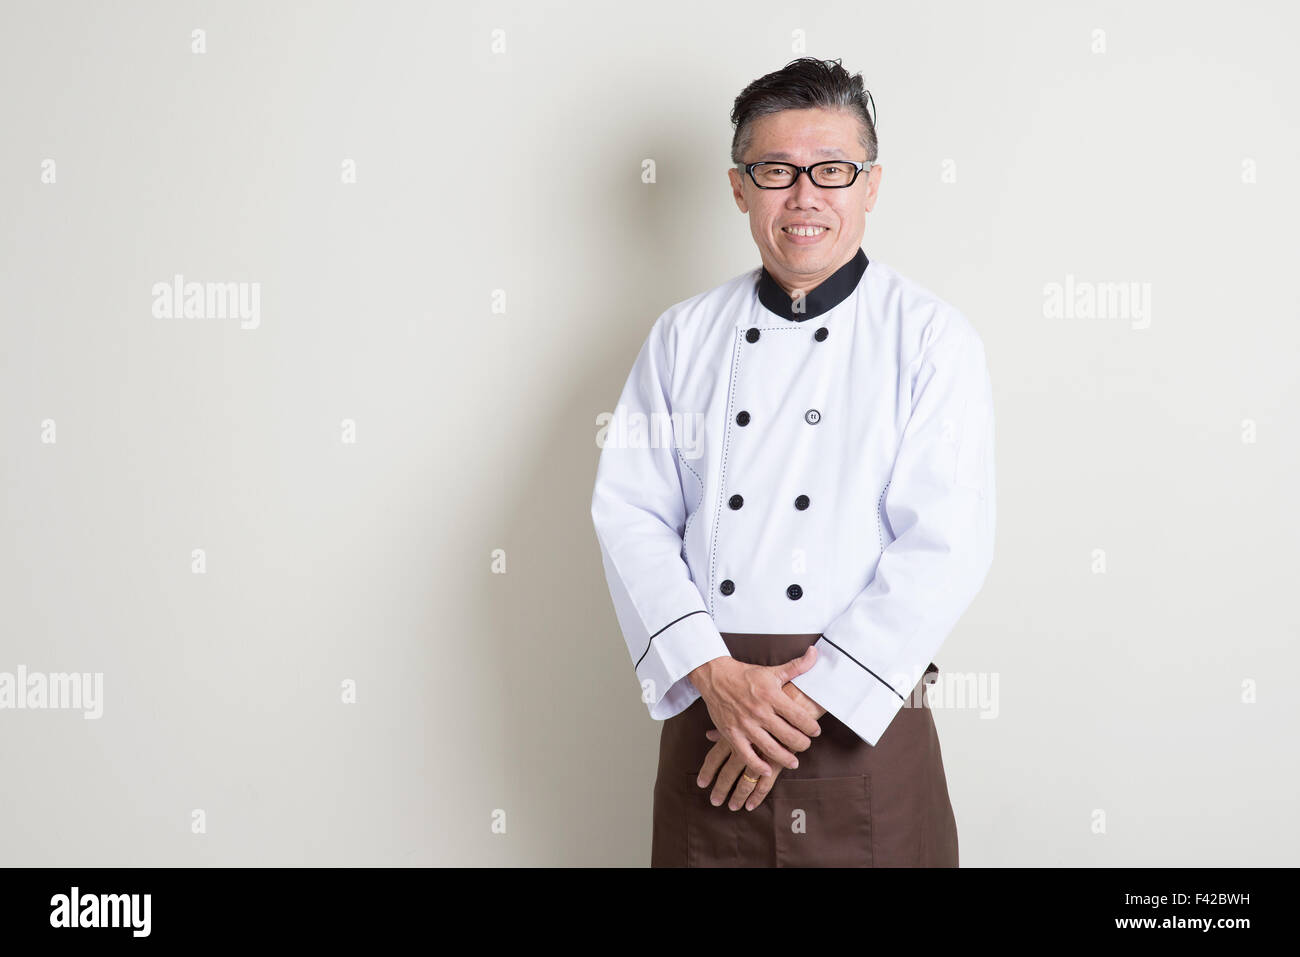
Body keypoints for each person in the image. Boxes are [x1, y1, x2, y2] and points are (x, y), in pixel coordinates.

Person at [590, 57, 996, 867]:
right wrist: (716, 676)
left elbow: (945, 545)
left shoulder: (930, 339)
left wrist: (796, 703)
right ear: (740, 187)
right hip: (712, 704)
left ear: (871, 186)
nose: (805, 195)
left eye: (832, 171)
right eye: (777, 171)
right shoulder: (682, 335)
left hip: (861, 715)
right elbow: (629, 513)